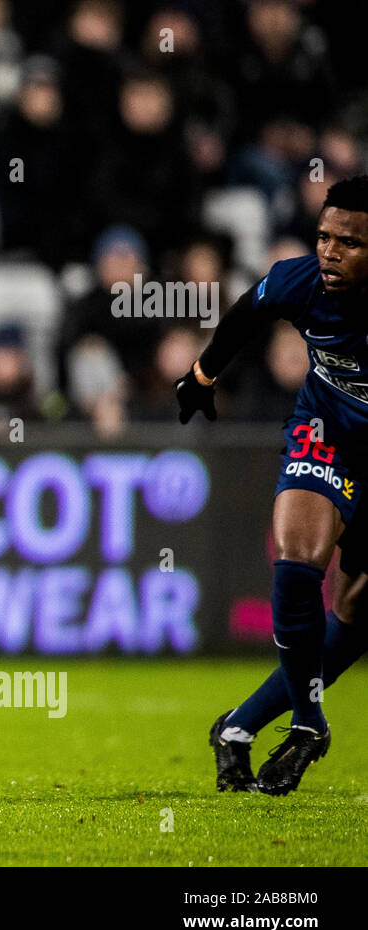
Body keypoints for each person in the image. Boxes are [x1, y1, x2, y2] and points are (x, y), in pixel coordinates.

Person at [177, 175, 368, 795]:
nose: (330, 253)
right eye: (324, 237)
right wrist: (202, 375)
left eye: (350, 243)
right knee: (297, 562)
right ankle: (309, 722)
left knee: (355, 617)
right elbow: (246, 313)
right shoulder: (299, 280)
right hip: (326, 428)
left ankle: (237, 726)